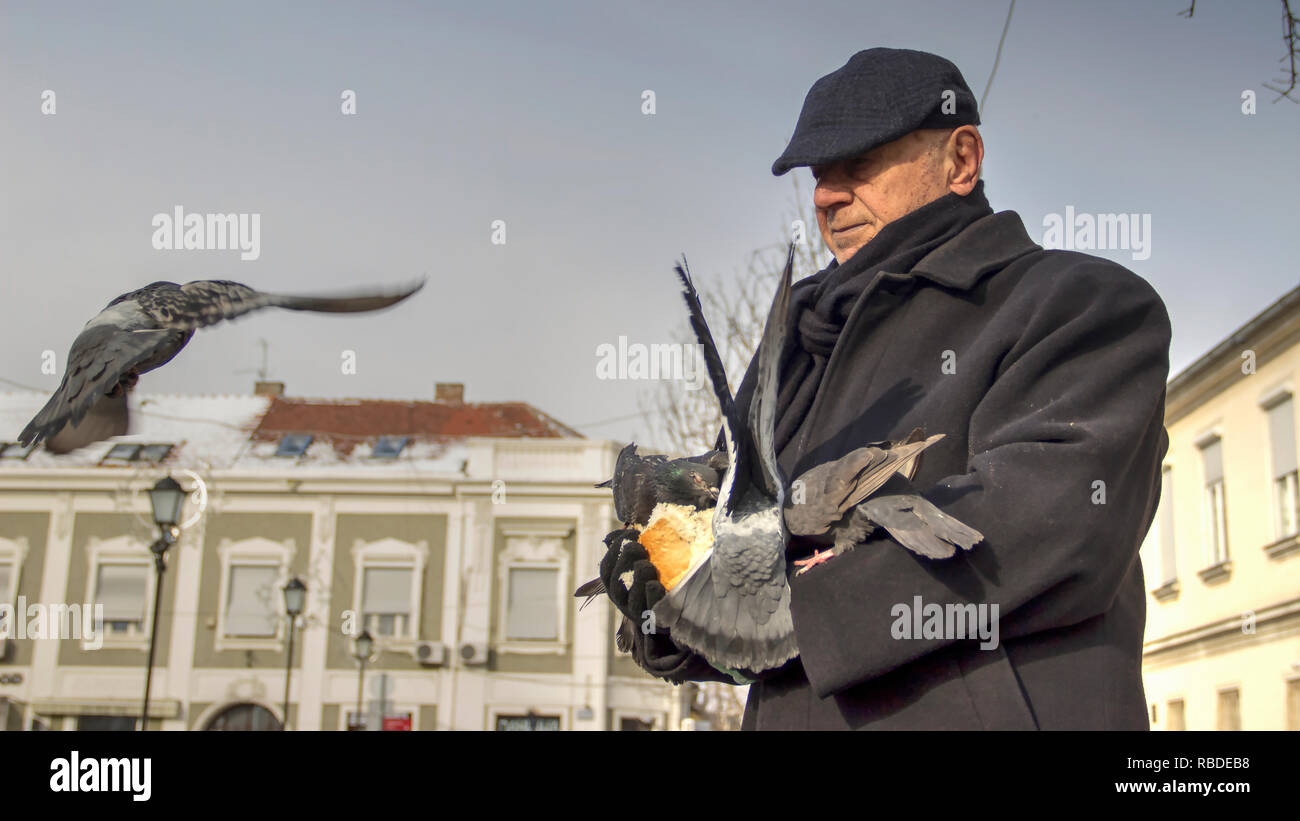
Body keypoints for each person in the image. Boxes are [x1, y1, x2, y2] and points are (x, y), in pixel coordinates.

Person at [599, 47, 1171, 729]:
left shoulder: (1078, 302)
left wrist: (791, 610)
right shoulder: (796, 341)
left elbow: (1055, 522)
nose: (825, 195)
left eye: (859, 165)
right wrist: (676, 607)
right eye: (817, 175)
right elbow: (731, 537)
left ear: (961, 160)